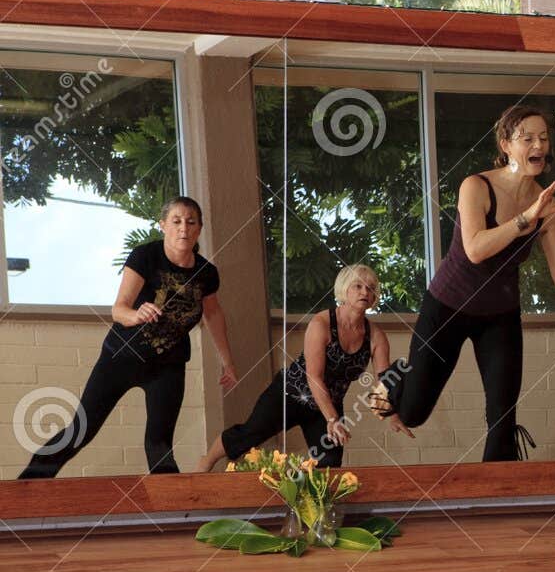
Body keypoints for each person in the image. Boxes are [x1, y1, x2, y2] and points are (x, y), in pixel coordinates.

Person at [366, 103, 555, 461]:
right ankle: (392, 380)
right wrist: (526, 217)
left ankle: (500, 492)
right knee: (413, 412)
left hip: (500, 315)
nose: (538, 145)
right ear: (506, 145)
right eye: (527, 138)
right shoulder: (475, 187)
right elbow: (476, 250)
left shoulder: (548, 207)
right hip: (447, 306)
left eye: (543, 138)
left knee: (503, 415)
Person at [19, 197, 238, 478]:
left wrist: (227, 361)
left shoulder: (206, 273)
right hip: (121, 356)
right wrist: (136, 315)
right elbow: (118, 309)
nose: (184, 227)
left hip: (168, 365)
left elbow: (213, 314)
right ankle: (25, 487)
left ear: (199, 229)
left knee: (159, 442)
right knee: (82, 429)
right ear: (163, 226)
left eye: (191, 222)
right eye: (176, 221)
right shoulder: (145, 256)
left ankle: (169, 508)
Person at [194, 264, 403, 472]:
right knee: (250, 434)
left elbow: (382, 382)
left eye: (371, 288)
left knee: (329, 460)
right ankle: (207, 460)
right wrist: (333, 419)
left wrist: (392, 415)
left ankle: (313, 502)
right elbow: (314, 376)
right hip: (290, 394)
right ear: (344, 289)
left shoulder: (376, 336)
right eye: (358, 286)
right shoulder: (321, 323)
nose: (365, 292)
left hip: (326, 404)